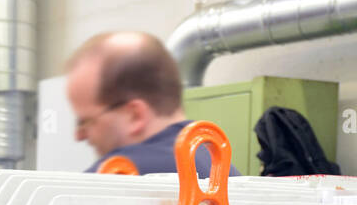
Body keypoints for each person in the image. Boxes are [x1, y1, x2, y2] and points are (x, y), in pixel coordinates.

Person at [66, 31, 239, 177]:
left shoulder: (112, 178)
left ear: (135, 115)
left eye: (86, 122)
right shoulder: (223, 170)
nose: (79, 136)